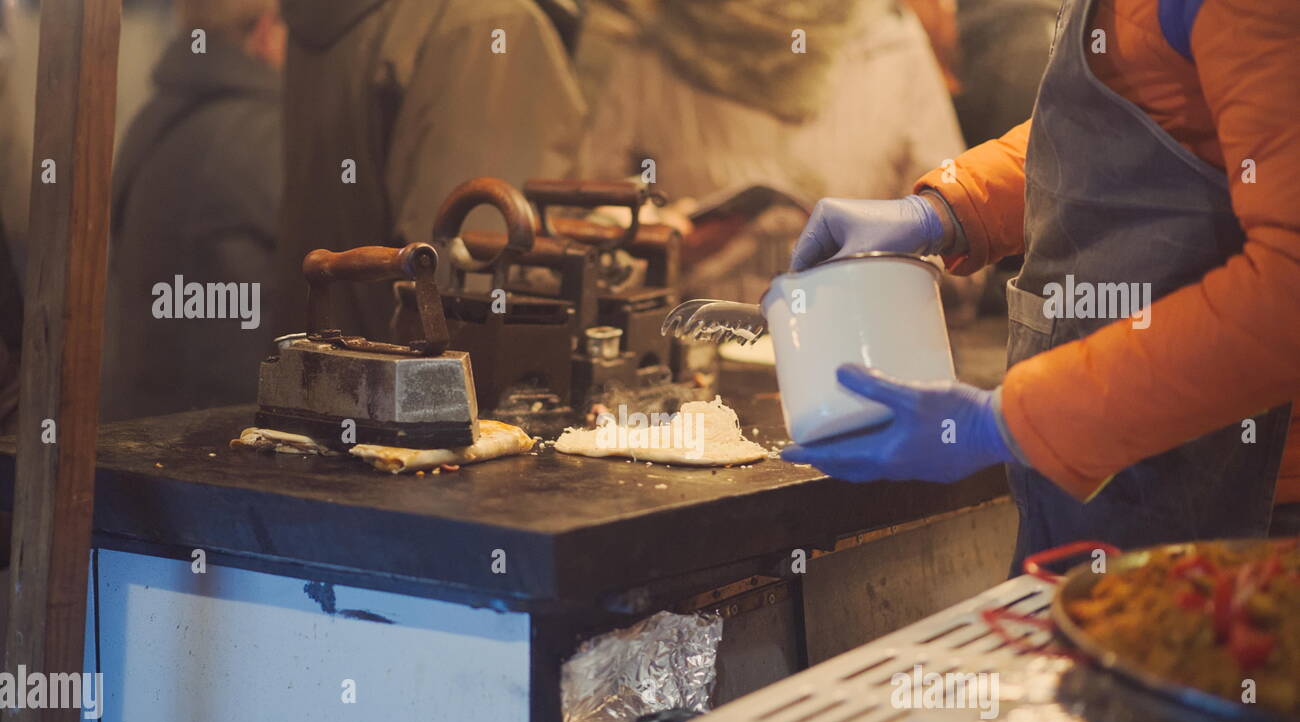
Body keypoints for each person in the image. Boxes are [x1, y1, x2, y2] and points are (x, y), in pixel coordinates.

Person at [782, 0, 1300, 561]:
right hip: (1100, 460)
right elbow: (1120, 132)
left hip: (1233, 498)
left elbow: (1286, 297)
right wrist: (950, 209)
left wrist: (1005, 422)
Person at [573, 0, 977, 313]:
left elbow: (962, 248)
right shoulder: (650, 52)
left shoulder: (890, 42)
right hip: (693, 362)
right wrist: (662, 249)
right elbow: (579, 243)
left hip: (857, 353)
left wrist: (882, 254)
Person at [276, 0, 585, 340]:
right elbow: (470, 297)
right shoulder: (485, 20)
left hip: (331, 366)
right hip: (415, 377)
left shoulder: (344, 16)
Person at [102, 0, 286, 422]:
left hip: (134, 415)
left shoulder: (153, 116)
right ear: (265, 30)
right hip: (223, 429)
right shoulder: (265, 131)